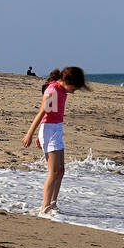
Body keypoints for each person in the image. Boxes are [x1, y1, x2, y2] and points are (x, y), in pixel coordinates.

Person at [21, 66, 89, 214]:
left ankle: (53, 204)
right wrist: (31, 134)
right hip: (49, 130)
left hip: (56, 129)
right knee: (52, 172)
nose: (75, 91)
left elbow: (52, 113)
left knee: (61, 170)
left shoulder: (61, 90)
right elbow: (41, 113)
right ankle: (44, 207)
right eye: (75, 87)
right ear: (66, 81)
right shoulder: (52, 91)